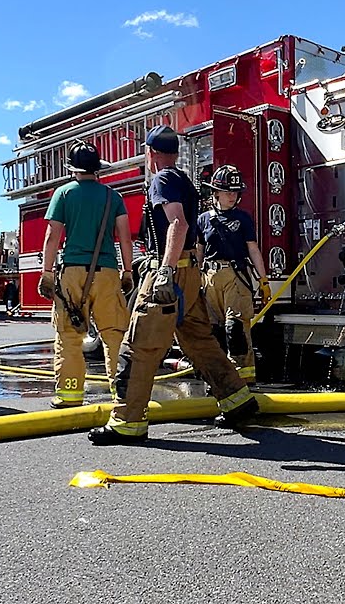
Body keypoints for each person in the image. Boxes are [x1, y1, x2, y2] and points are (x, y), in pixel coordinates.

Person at [88, 125, 258, 445]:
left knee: (139, 346)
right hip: (189, 274)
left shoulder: (162, 179)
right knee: (199, 341)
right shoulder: (183, 179)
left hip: (171, 274)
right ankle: (237, 400)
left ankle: (127, 421)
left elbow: (177, 224)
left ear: (151, 153)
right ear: (176, 153)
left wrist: (164, 270)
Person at [37, 141, 133, 408]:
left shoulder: (63, 193)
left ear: (72, 169)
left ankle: (69, 396)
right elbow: (125, 238)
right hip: (107, 273)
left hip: (72, 273)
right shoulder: (113, 197)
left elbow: (52, 236)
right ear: (97, 169)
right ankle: (122, 395)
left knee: (69, 335)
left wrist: (47, 273)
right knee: (113, 334)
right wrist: (127, 271)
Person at [197, 164, 271, 383]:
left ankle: (242, 379)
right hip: (209, 278)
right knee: (215, 331)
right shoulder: (203, 220)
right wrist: (194, 280)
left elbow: (253, 249)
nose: (232, 196)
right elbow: (199, 251)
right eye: (227, 191)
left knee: (235, 329)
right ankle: (219, 379)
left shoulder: (243, 219)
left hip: (236, 276)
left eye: (235, 192)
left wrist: (263, 280)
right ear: (216, 193)